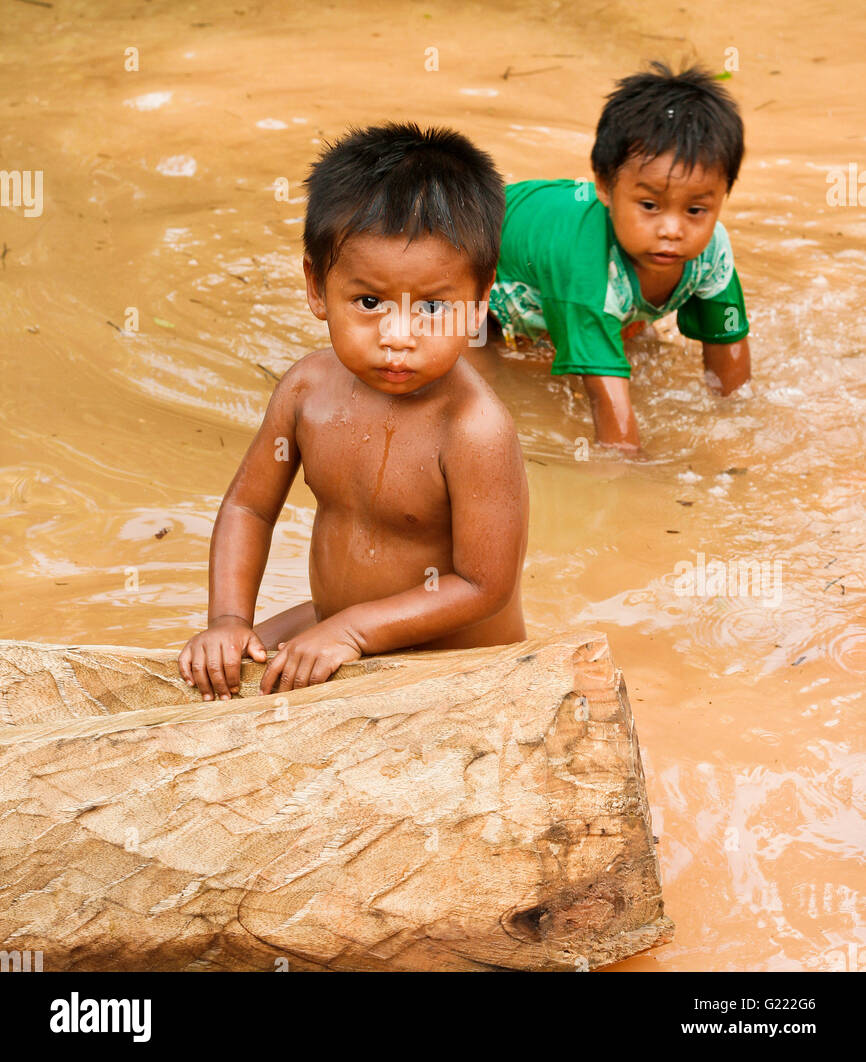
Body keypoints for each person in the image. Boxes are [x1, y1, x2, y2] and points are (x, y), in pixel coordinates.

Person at [179, 123, 528, 699]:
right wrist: (227, 620)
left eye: (433, 308)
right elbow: (249, 507)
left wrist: (354, 631)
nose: (397, 336)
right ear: (317, 288)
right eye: (369, 302)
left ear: (478, 304)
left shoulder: (474, 430)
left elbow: (483, 586)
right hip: (338, 625)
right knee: (215, 678)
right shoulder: (306, 391)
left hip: (459, 666)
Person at [489, 63, 751, 450]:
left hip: (571, 268)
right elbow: (615, 433)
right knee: (487, 377)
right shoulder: (585, 269)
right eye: (650, 205)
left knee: (635, 340)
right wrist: (633, 477)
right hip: (480, 268)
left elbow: (728, 352)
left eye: (696, 210)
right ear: (604, 186)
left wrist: (740, 433)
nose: (672, 230)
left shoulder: (712, 250)